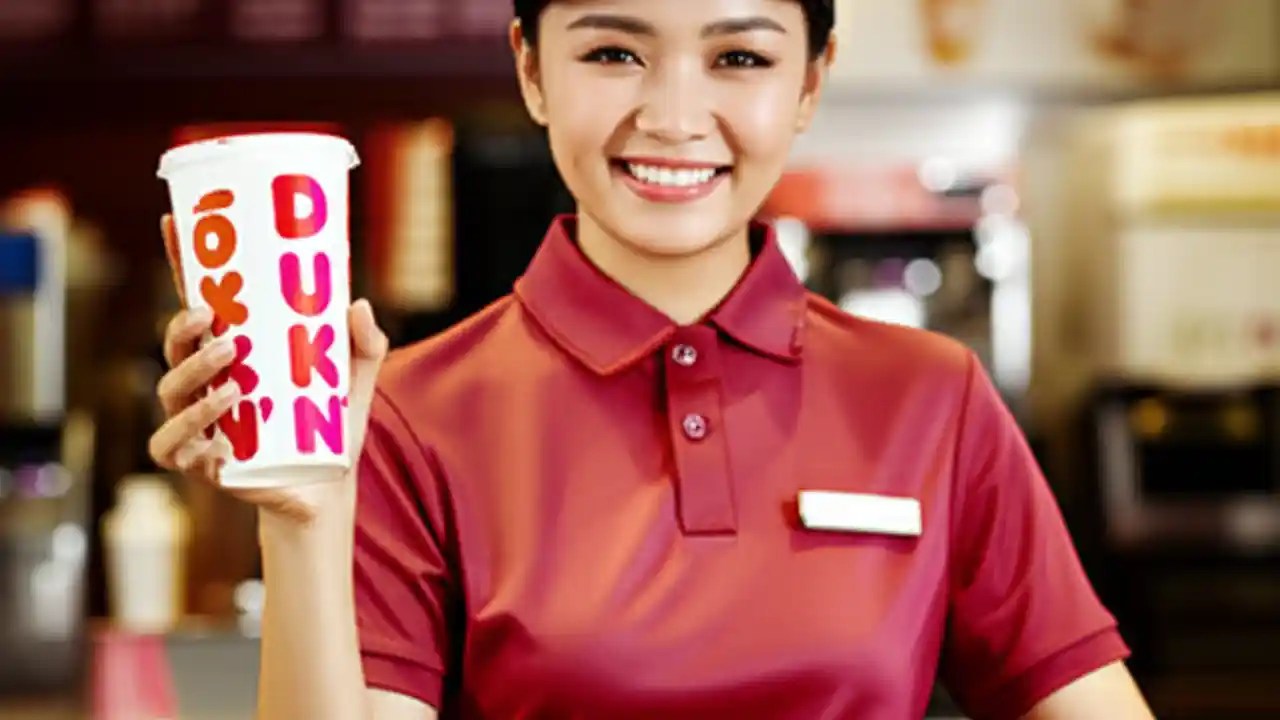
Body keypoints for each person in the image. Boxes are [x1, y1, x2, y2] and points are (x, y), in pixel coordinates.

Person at [149, 1, 1157, 718]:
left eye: (740, 59)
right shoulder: (408, 413)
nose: (673, 116)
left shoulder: (930, 397)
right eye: (613, 53)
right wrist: (303, 515)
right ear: (530, 69)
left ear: (809, 81)